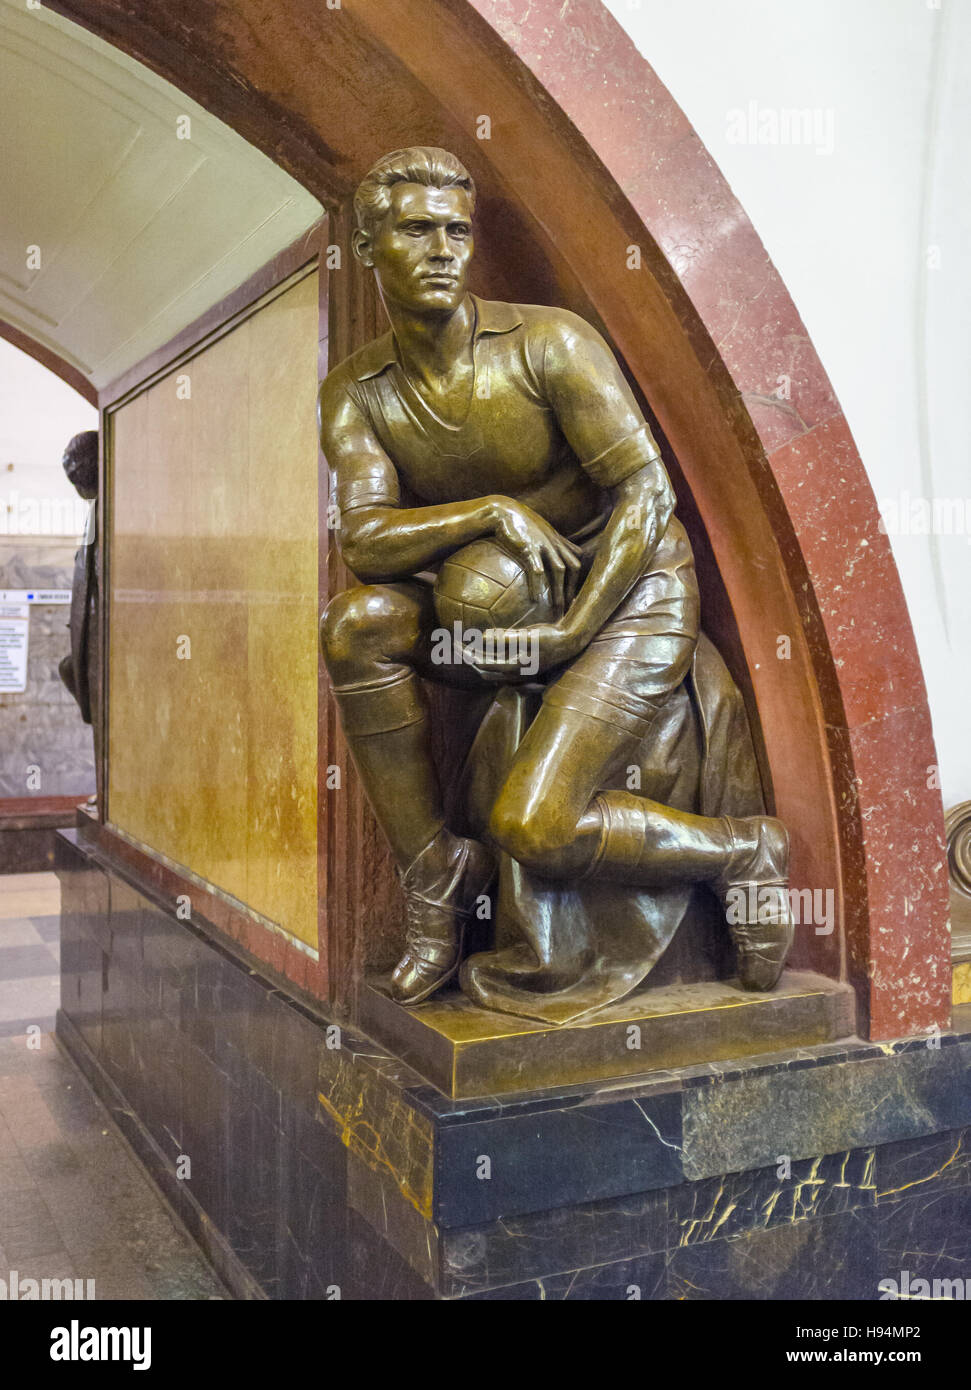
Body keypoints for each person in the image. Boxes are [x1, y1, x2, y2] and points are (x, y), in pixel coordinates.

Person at [319, 147, 792, 1010]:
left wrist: (572, 634)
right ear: (365, 247)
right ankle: (436, 879)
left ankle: (742, 851)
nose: (442, 249)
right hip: (506, 612)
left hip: (630, 597)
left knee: (534, 825)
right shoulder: (357, 390)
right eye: (416, 229)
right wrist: (487, 511)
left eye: (457, 231)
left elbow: (648, 495)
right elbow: (365, 540)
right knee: (357, 624)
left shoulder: (550, 343)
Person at [58, 430, 101, 799]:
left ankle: (110, 794)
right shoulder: (95, 514)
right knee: (68, 669)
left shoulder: (110, 515)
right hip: (91, 643)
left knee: (106, 715)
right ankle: (106, 792)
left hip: (105, 647)